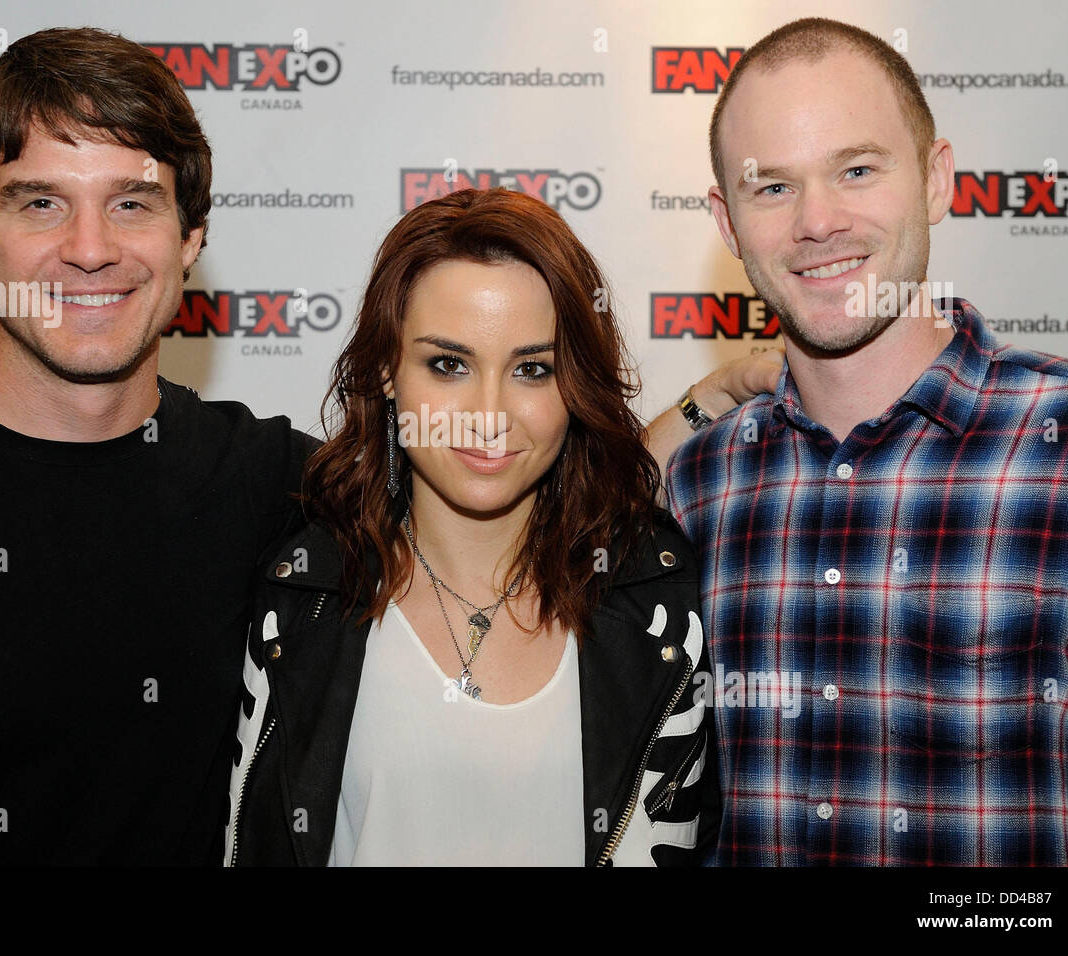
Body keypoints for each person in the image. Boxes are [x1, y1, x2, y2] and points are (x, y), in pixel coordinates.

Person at [0, 27, 313, 864]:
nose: (89, 249)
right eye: (40, 202)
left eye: (132, 202)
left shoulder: (282, 487)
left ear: (190, 237)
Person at [648, 17, 1068, 865]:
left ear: (936, 179)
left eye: (857, 170)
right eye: (772, 187)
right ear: (727, 221)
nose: (818, 221)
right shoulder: (697, 484)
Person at [226, 188, 718, 866]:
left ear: (573, 387)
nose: (488, 414)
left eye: (532, 369)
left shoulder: (658, 599)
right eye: (448, 365)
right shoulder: (304, 597)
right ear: (385, 371)